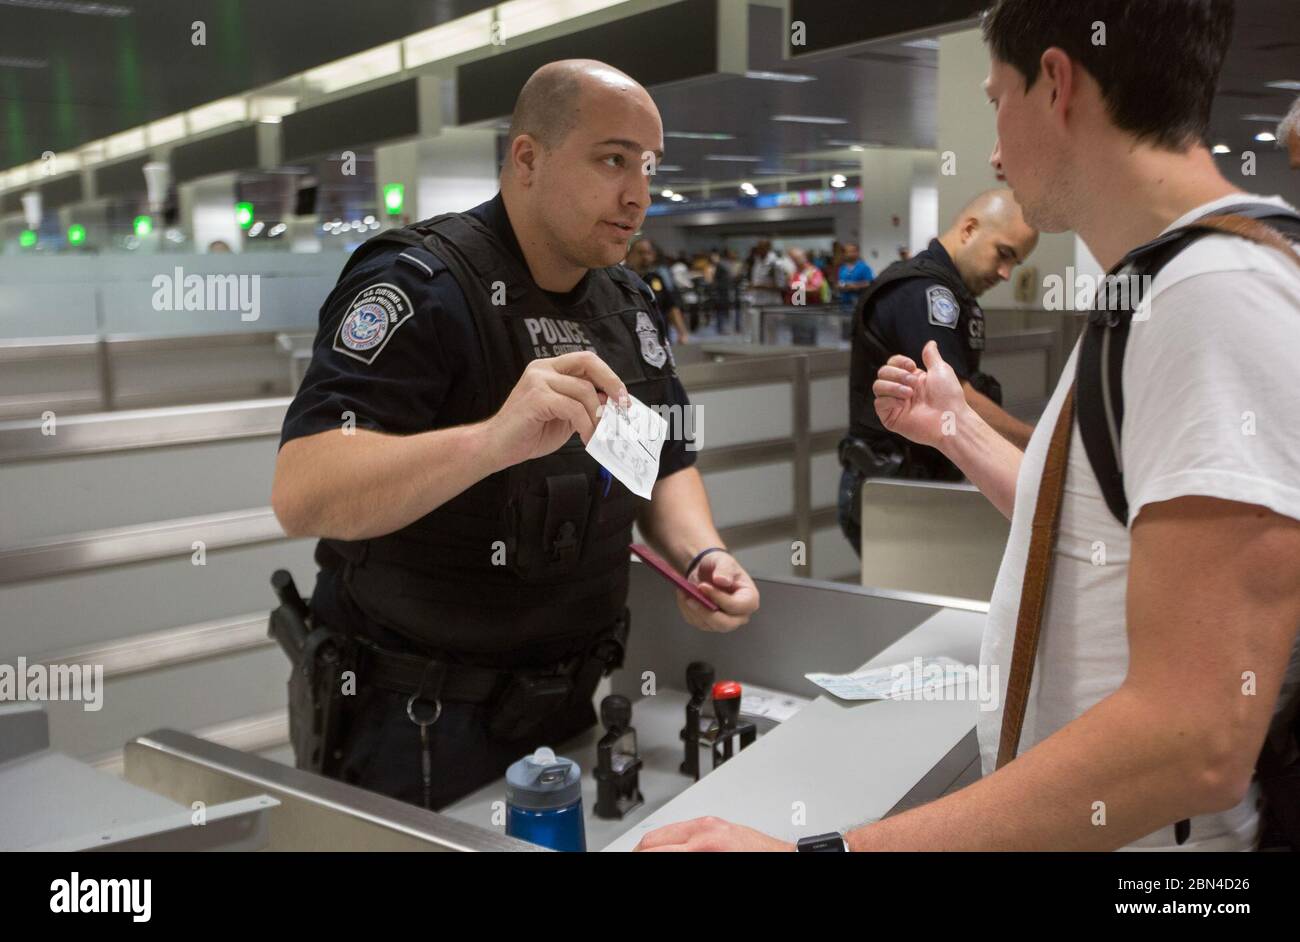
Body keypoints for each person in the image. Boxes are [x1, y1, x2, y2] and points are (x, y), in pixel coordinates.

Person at [637, 0, 1300, 852]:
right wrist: (957, 430)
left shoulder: (1212, 299)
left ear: (1055, 84)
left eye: (995, 98)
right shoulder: (1162, 286)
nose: (991, 146)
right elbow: (1095, 532)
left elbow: (1193, 740)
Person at [271, 58, 759, 812]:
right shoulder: (420, 287)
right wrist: (494, 440)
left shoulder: (625, 305)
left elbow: (659, 464)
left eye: (649, 167)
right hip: (419, 726)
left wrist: (703, 554)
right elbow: (303, 491)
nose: (638, 195)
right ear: (527, 158)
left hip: (570, 705)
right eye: (612, 160)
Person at [837, 188, 1039, 554]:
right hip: (894, 486)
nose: (1007, 273)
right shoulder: (922, 292)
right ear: (969, 229)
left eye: (1016, 263)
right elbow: (959, 397)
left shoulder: (950, 291)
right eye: (1004, 253)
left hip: (915, 483)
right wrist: (1037, 444)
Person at [626, 238, 691, 343]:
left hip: (659, 336)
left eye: (649, 253)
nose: (645, 257)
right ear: (629, 255)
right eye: (640, 253)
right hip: (632, 338)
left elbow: (670, 306)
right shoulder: (621, 279)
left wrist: (681, 332)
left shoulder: (656, 278)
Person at [835, 242, 875, 312]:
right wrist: (839, 286)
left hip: (859, 305)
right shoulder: (842, 268)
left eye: (852, 251)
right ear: (844, 254)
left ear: (857, 253)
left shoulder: (864, 267)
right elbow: (840, 282)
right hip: (845, 305)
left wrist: (855, 286)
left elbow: (870, 283)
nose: (850, 254)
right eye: (847, 252)